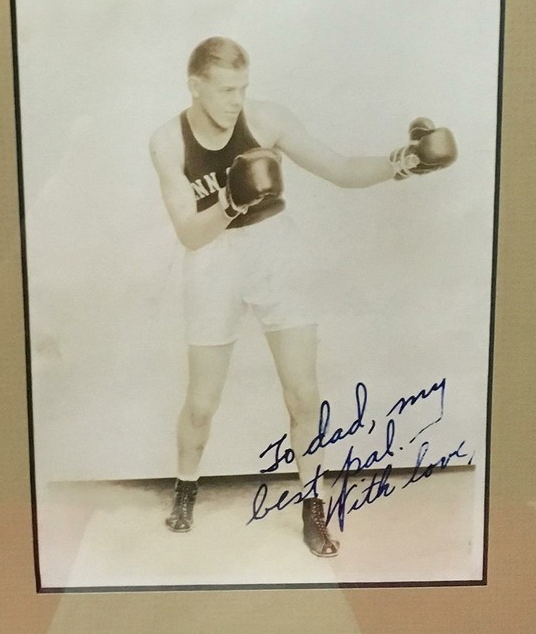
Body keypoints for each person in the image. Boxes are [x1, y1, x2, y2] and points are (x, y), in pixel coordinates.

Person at [149, 36, 457, 557]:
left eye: (242, 88)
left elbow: (340, 170)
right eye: (225, 90)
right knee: (201, 403)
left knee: (302, 394)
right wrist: (230, 199)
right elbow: (188, 233)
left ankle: (312, 503)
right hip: (212, 260)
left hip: (276, 252)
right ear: (195, 86)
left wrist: (403, 162)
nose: (235, 101)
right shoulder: (167, 141)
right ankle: (186, 487)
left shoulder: (265, 118)